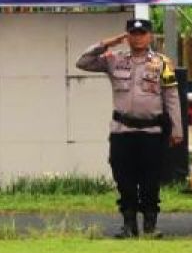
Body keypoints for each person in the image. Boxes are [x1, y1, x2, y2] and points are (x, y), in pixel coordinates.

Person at [75, 18, 183, 238]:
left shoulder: (162, 63)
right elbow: (83, 62)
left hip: (151, 132)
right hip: (122, 131)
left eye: (142, 33)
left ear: (150, 36)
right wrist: (107, 43)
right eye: (133, 33)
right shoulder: (114, 60)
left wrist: (177, 129)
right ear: (127, 36)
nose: (138, 38)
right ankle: (129, 224)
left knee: (150, 181)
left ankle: (150, 226)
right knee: (124, 180)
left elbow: (171, 97)